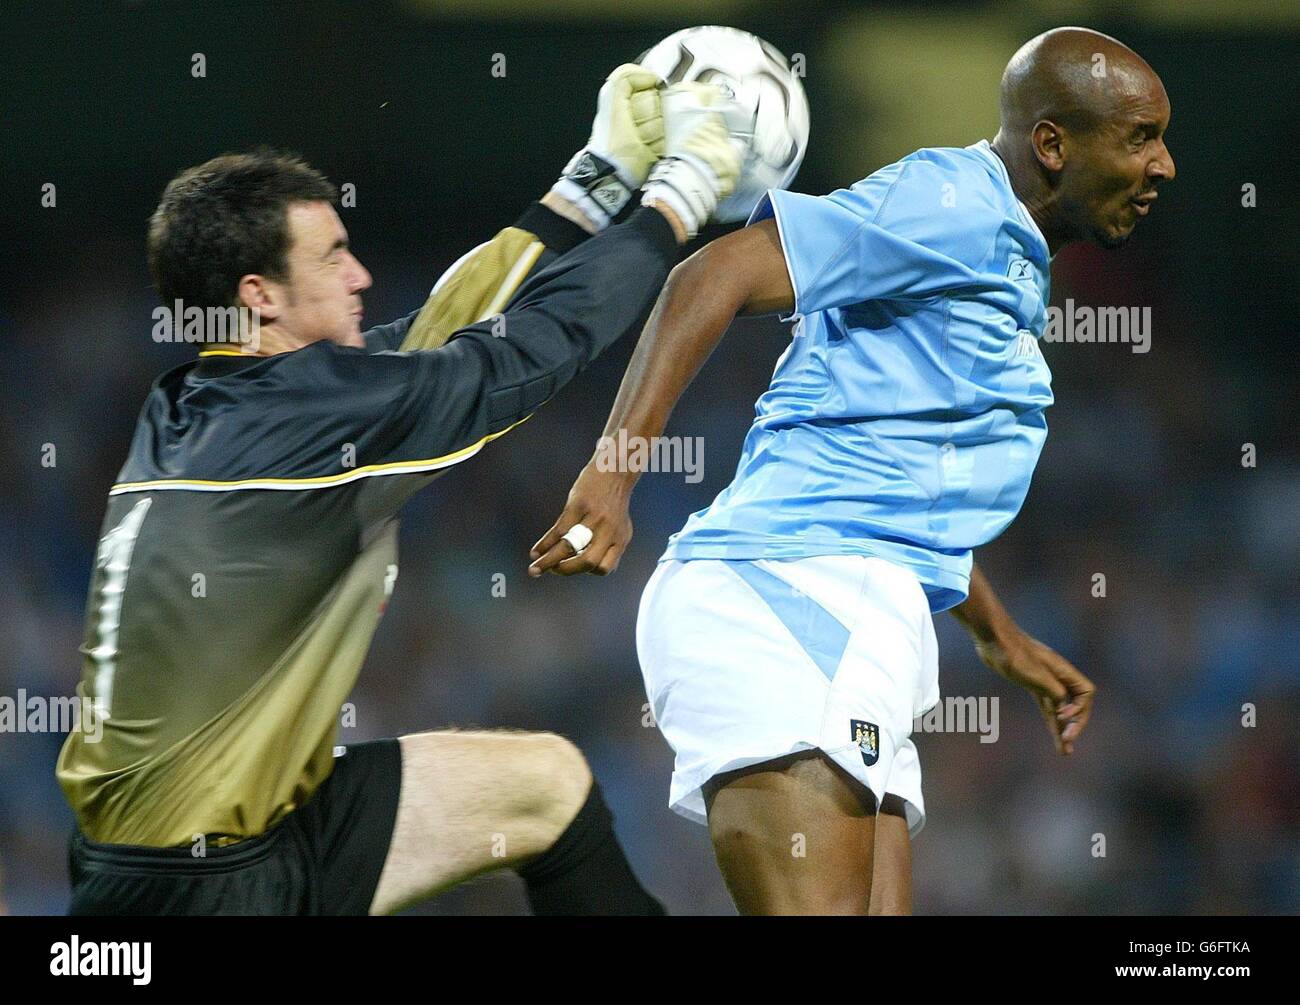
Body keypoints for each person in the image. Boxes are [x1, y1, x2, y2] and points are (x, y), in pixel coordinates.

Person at [57, 64, 748, 915]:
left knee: (544, 785)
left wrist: (592, 182)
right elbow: (524, 353)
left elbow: (436, 332)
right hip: (194, 891)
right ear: (258, 295)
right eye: (333, 257)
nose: (360, 276)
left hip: (253, 826)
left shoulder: (203, 401)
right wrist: (674, 204)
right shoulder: (301, 423)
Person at [529, 27, 1175, 914]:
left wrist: (996, 634)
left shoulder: (1008, 253)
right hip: (785, 598)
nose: (1164, 165)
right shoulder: (952, 201)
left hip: (857, 617)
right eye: (1141, 137)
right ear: (1054, 143)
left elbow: (896, 482)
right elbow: (711, 271)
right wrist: (614, 470)